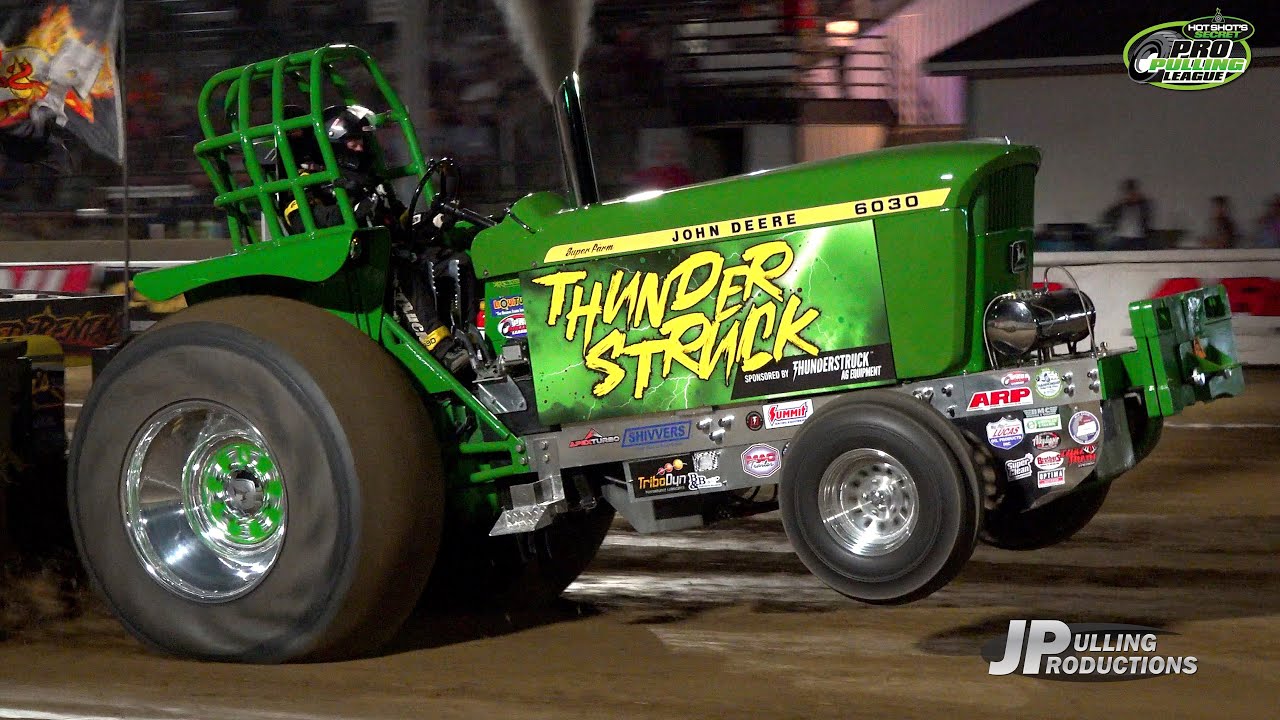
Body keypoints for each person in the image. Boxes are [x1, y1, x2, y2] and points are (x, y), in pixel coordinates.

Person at [279, 104, 473, 377]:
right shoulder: (308, 184)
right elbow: (307, 222)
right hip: (349, 267)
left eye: (362, 140)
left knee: (455, 260)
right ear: (333, 144)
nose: (359, 147)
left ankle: (470, 337)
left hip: (389, 250)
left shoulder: (370, 181)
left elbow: (399, 222)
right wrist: (355, 208)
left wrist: (433, 219)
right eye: (352, 141)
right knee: (401, 271)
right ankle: (440, 349)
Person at [1102, 178, 1152, 250]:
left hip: (1138, 238)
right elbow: (1107, 216)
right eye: (1128, 193)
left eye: (1133, 193)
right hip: (1121, 237)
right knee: (1110, 248)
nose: (1131, 195)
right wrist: (1122, 203)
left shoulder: (1142, 206)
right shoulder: (1120, 206)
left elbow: (1147, 217)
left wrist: (1140, 201)